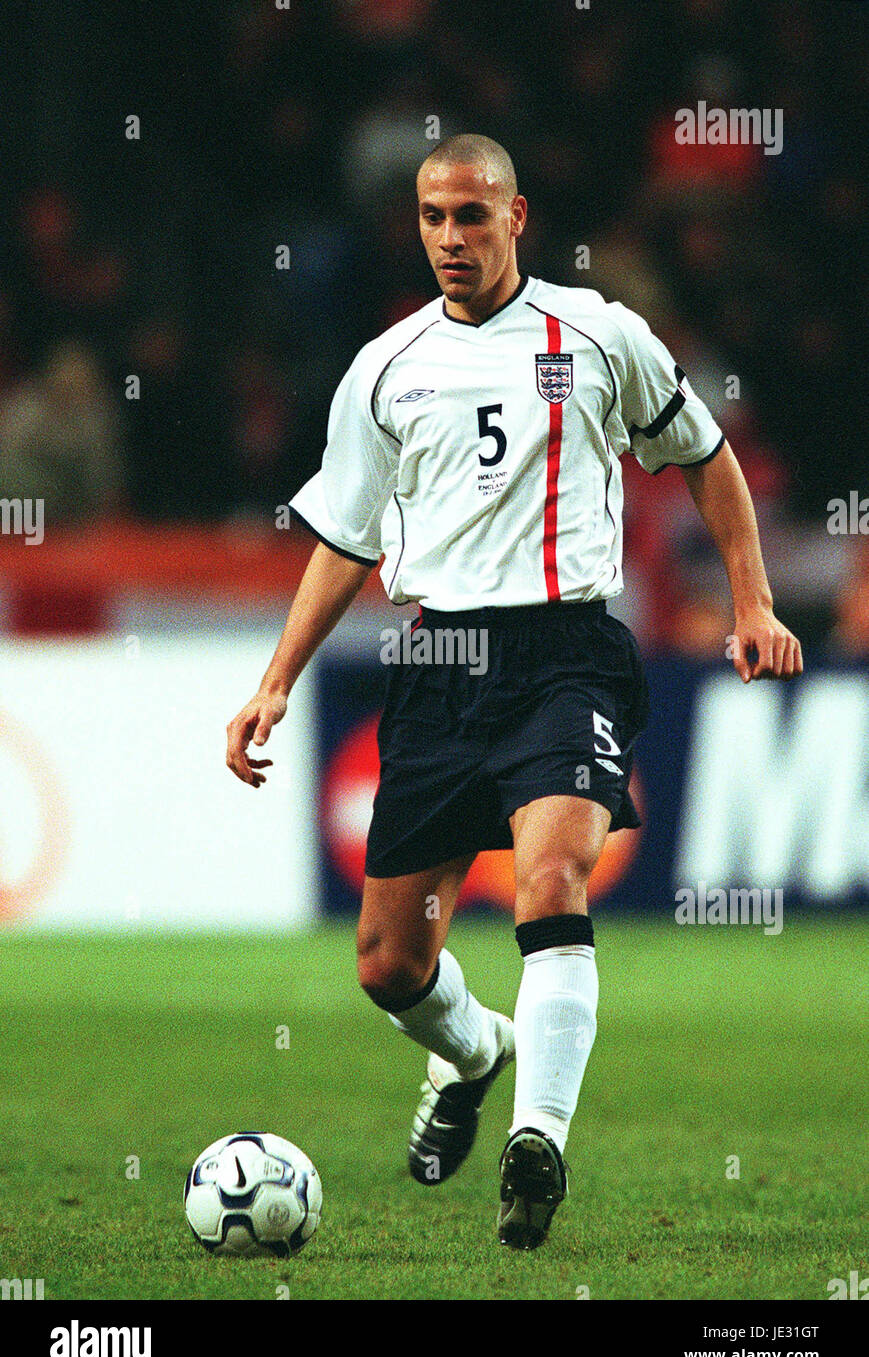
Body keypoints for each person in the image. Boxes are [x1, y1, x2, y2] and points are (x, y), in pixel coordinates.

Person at [226, 134, 802, 1250]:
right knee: (389, 962)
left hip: (567, 653)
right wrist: (274, 682)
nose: (451, 237)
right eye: (434, 217)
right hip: (439, 666)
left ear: (516, 216)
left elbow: (704, 452)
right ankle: (476, 1049)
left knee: (550, 878)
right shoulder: (384, 368)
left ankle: (537, 1137)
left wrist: (751, 602)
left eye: (472, 216)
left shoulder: (597, 335)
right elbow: (344, 538)